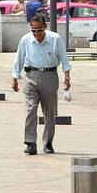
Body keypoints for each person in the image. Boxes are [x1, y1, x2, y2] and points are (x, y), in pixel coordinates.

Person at [10, 13, 72, 155]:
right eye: (34, 30)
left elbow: (64, 60)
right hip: (31, 76)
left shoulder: (55, 39)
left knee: (49, 112)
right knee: (30, 109)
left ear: (45, 27)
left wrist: (67, 77)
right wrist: (15, 76)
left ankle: (48, 142)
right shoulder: (25, 40)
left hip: (50, 76)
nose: (37, 34)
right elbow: (19, 58)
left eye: (39, 30)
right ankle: (30, 142)